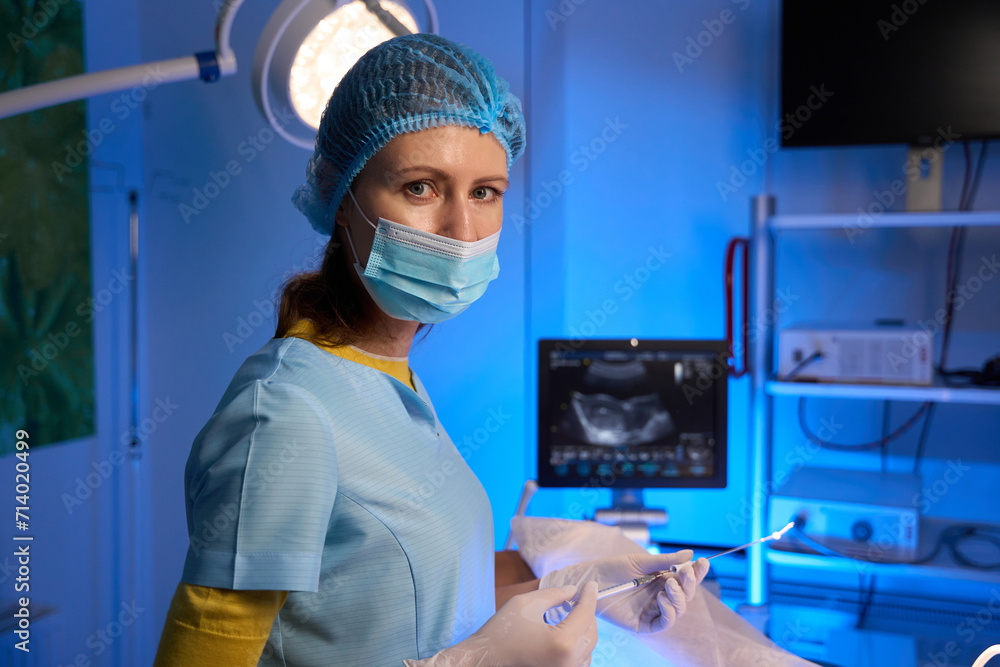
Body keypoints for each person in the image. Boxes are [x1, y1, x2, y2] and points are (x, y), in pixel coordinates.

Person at [153, 33, 708, 666]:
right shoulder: (285, 413)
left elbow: (398, 585)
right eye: (420, 187)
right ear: (341, 194)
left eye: (485, 192)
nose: (462, 232)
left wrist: (587, 586)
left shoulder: (387, 380)